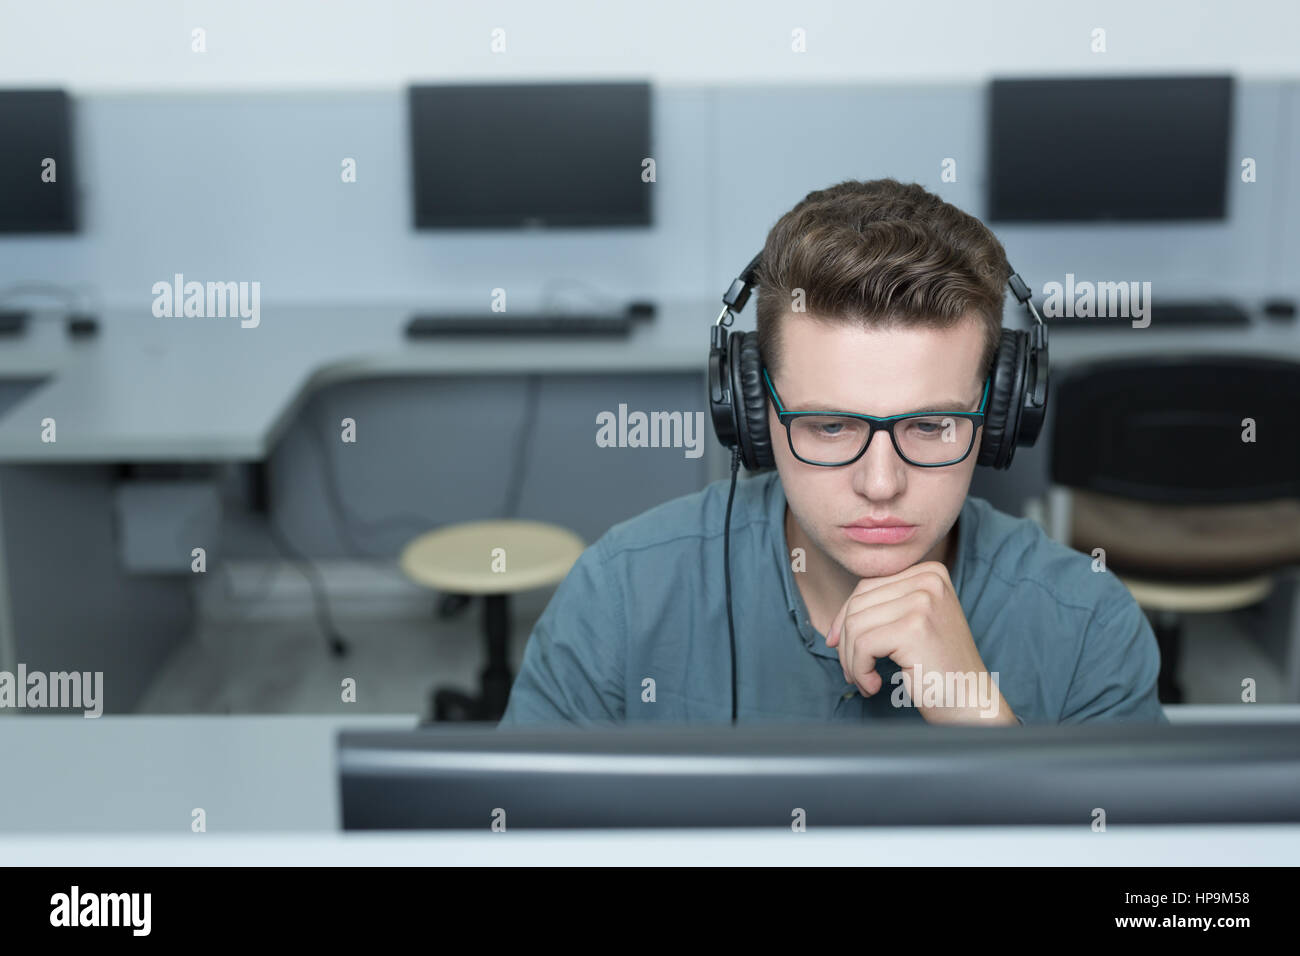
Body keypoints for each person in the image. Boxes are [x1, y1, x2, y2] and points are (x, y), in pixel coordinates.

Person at [499, 177, 1166, 727]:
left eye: (931, 425)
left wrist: (981, 720)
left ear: (996, 419)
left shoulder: (1089, 628)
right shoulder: (621, 593)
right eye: (828, 427)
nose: (881, 484)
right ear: (755, 414)